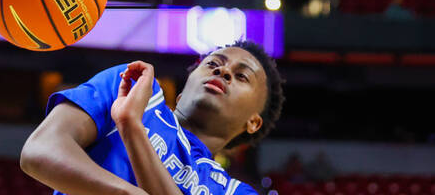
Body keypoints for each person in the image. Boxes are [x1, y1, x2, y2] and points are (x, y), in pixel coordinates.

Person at [20, 41, 284, 195]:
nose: (224, 71)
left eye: (241, 76)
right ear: (181, 94)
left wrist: (131, 127)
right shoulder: (131, 88)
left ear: (253, 121)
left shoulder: (234, 191)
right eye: (213, 64)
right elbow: (38, 151)